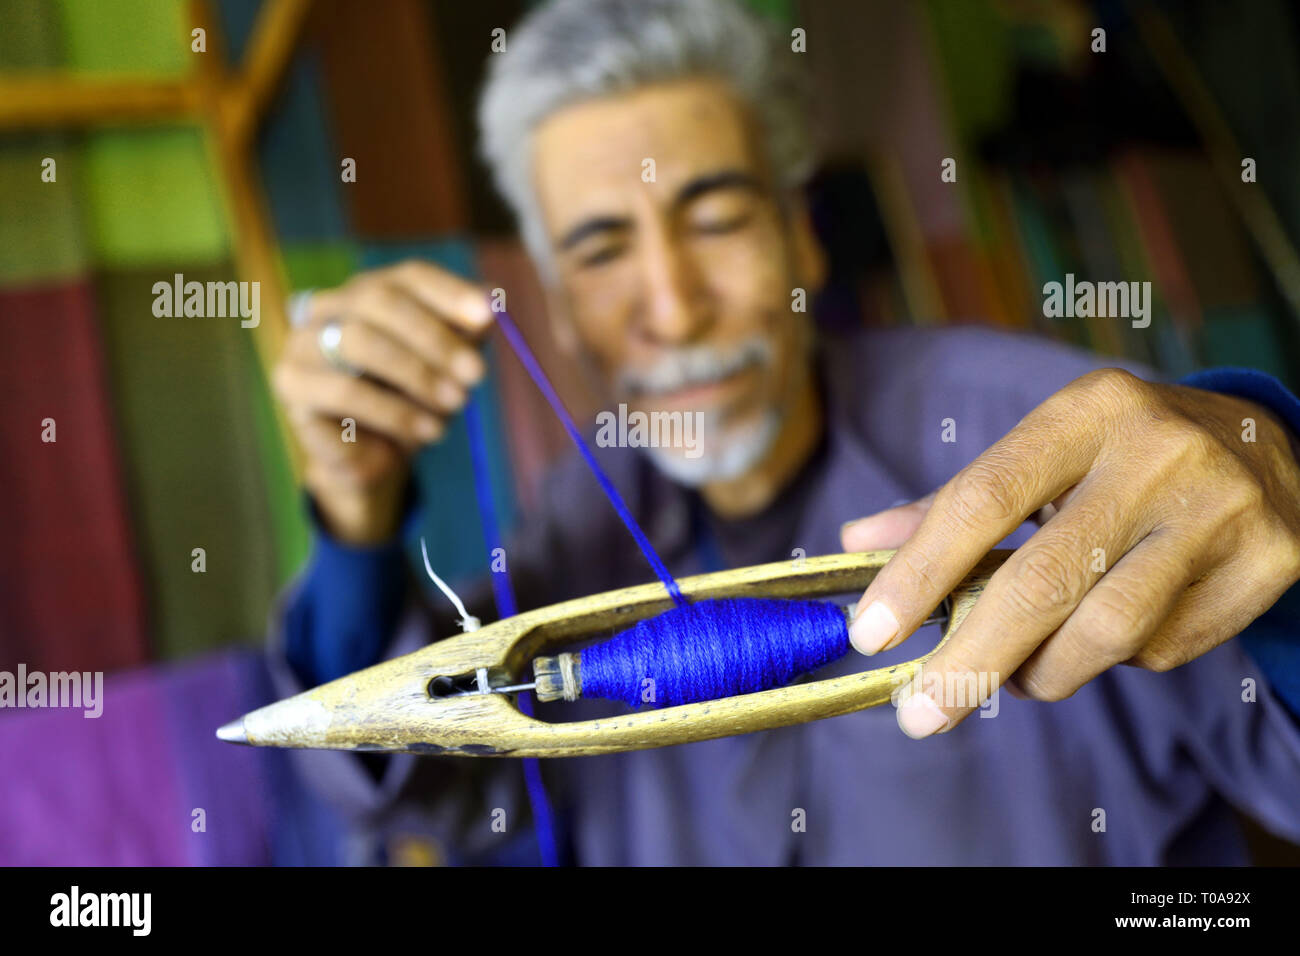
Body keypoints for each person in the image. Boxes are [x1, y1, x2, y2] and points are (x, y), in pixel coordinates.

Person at [267, 0, 1300, 865]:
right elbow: (426, 794)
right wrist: (357, 513)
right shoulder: (577, 524)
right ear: (563, 311)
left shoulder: (1047, 440)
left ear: (802, 237)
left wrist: (1275, 480)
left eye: (716, 218)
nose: (674, 307)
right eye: (601, 250)